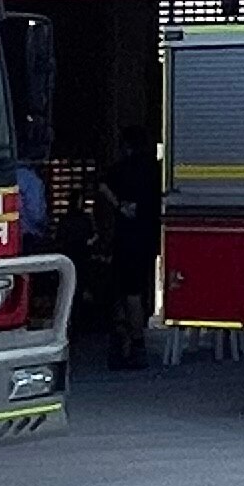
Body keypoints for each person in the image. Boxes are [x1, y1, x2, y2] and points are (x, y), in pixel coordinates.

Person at [104, 128, 164, 364]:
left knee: (127, 292)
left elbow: (102, 185)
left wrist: (119, 205)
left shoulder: (122, 169)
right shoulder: (155, 171)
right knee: (140, 289)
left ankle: (130, 341)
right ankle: (136, 338)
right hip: (149, 237)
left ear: (126, 146)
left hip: (126, 238)